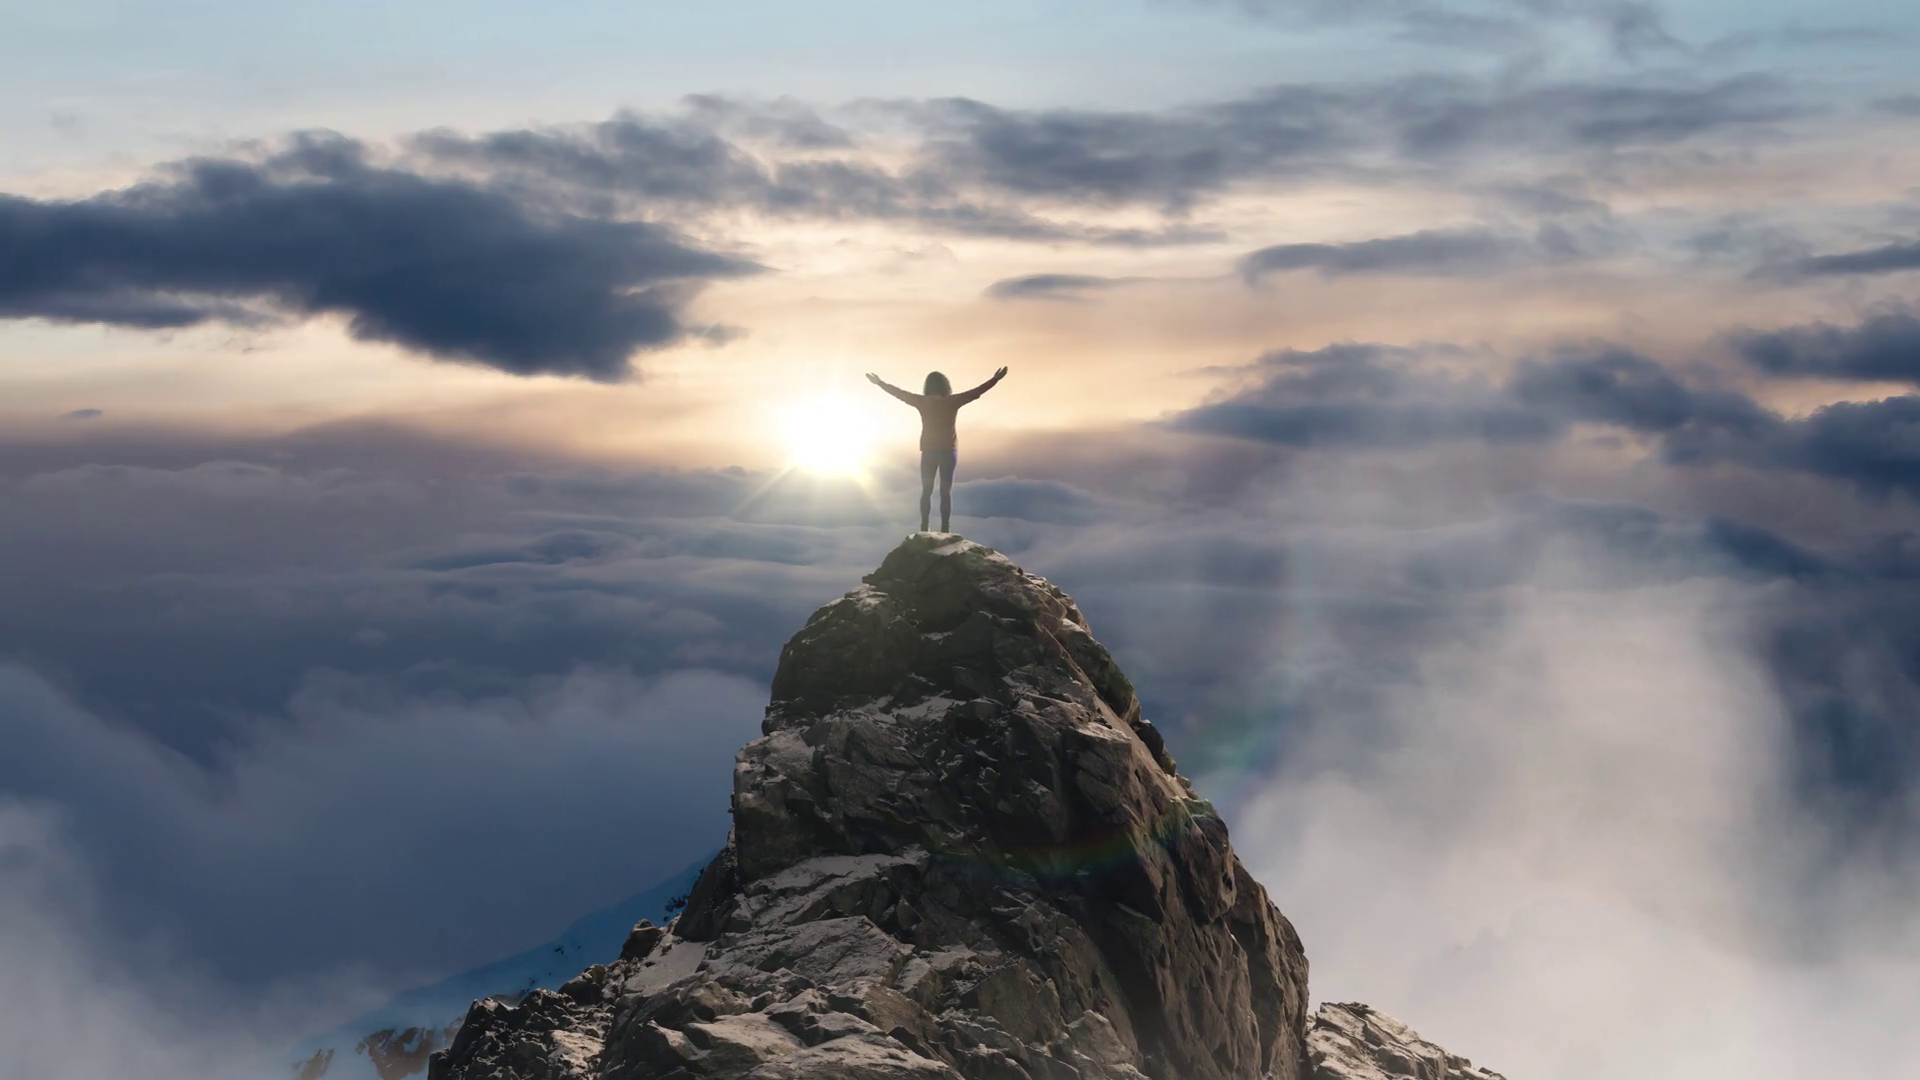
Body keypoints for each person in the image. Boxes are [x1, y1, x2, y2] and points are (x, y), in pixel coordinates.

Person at [866, 366, 1008, 533]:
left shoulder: (921, 401)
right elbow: (975, 392)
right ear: (945, 385)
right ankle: (945, 528)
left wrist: (880, 383)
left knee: (926, 490)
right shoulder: (952, 401)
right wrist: (995, 379)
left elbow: (900, 394)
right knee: (945, 491)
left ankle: (924, 526)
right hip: (949, 450)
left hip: (929, 451)